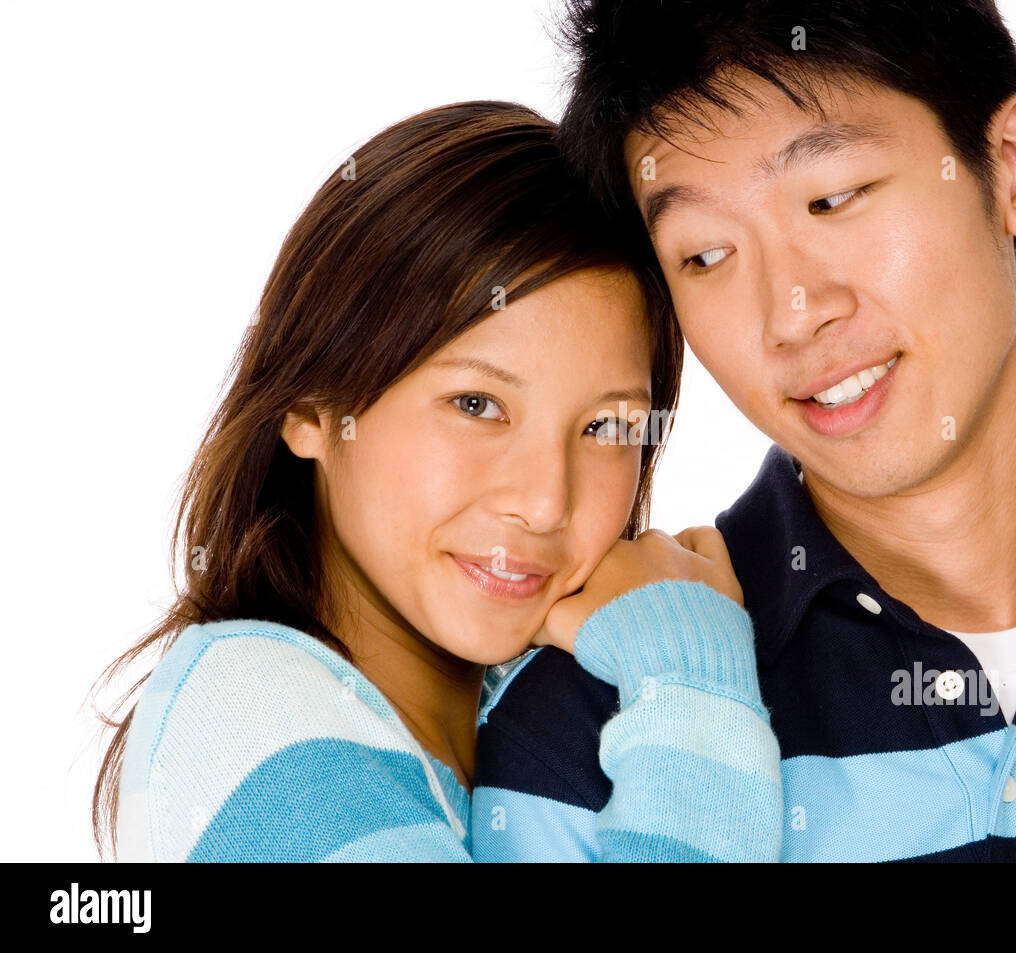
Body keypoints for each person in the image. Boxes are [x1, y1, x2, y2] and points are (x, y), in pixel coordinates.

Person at [471, 0, 1016, 861]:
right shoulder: (600, 720)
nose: (793, 317)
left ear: (1013, 170)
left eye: (833, 199)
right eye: (706, 256)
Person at [90, 102, 783, 862]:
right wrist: (692, 683)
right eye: (477, 405)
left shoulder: (538, 718)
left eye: (607, 427)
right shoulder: (249, 709)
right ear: (312, 406)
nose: (545, 499)